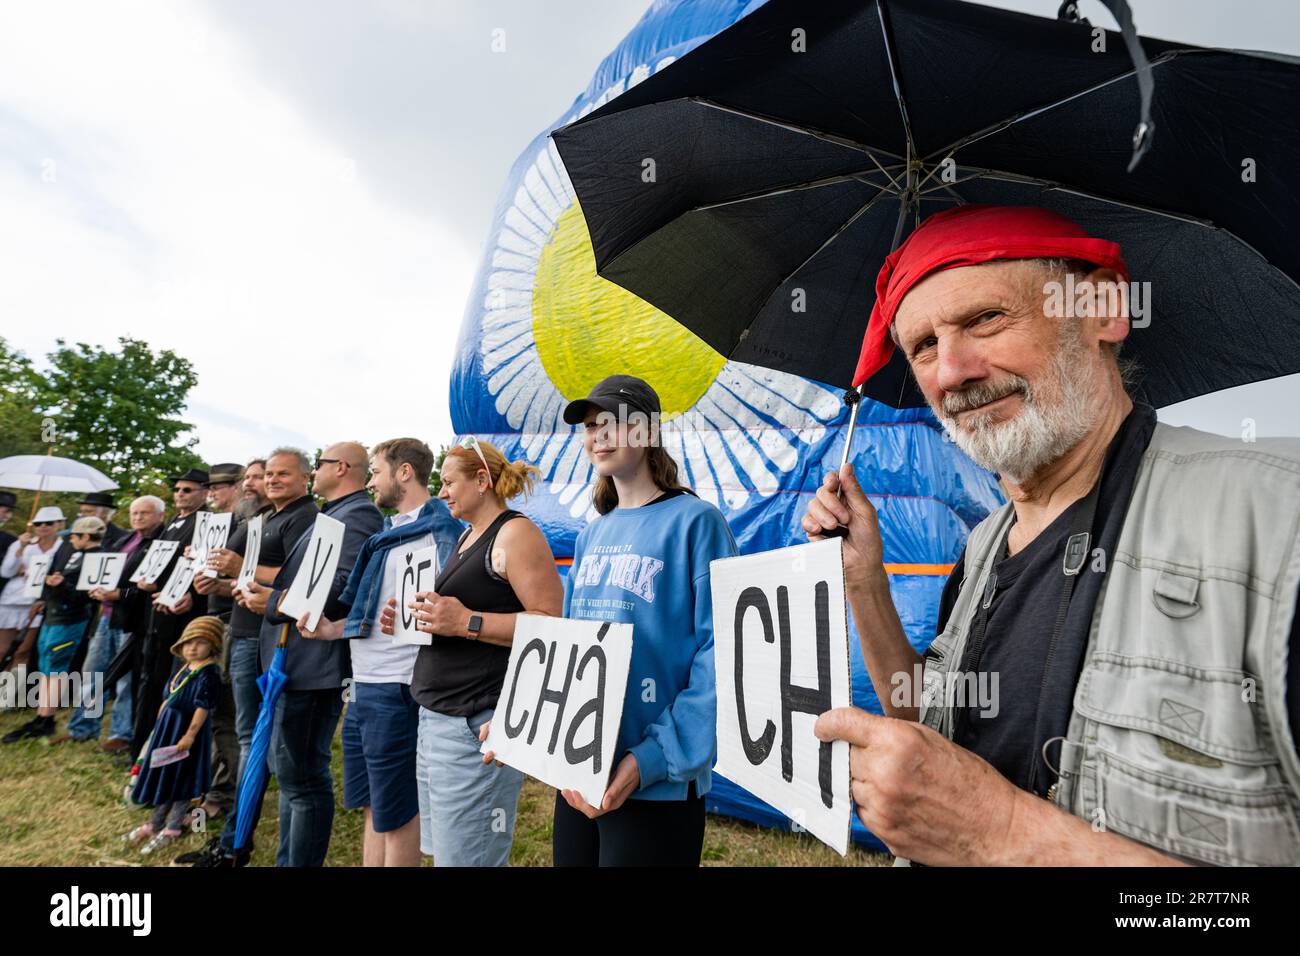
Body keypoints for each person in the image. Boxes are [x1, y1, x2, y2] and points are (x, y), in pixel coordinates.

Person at [803, 204, 1300, 867]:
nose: (952, 372)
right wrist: (865, 584)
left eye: (985, 319)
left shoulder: (1276, 519)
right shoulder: (983, 546)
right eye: (923, 346)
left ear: (1102, 311)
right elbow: (935, 721)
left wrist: (1001, 832)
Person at [486, 374, 737, 867]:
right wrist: (524, 718)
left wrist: (649, 761)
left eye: (611, 423)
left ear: (646, 432)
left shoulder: (696, 522)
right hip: (581, 770)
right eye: (589, 426)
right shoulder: (592, 534)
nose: (597, 435)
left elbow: (722, 655)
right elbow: (570, 648)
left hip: (655, 784)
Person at [379, 437, 562, 867]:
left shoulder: (516, 533)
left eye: (448, 483)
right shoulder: (466, 537)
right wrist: (413, 622)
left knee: (468, 857)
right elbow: (456, 617)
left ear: (482, 481)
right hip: (436, 714)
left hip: (474, 723)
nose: (441, 493)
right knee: (447, 852)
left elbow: (552, 623)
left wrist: (466, 622)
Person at [297, 438, 463, 867]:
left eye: (375, 471)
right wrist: (332, 629)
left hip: (399, 686)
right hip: (364, 684)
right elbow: (368, 610)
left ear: (403, 472)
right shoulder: (384, 536)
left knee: (399, 812)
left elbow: (450, 615)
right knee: (373, 805)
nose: (370, 481)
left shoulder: (442, 531)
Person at [181, 449, 316, 867]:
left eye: (278, 474)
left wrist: (242, 566)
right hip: (240, 633)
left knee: (259, 744)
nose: (268, 481)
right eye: (264, 474)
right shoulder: (261, 519)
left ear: (306, 478)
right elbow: (240, 577)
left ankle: (236, 842)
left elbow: (304, 580)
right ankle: (234, 839)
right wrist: (219, 582)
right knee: (246, 738)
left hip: (269, 639)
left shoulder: (306, 518)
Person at [61, 495, 166, 749]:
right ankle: (83, 727)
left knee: (126, 678)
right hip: (107, 616)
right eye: (135, 512)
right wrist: (95, 588)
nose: (138, 517)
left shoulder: (161, 543)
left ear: (160, 516)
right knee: (93, 673)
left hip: (134, 620)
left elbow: (151, 587)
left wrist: (119, 594)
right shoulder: (125, 540)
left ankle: (121, 734)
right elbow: (103, 573)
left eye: (145, 512)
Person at [2, 516, 106, 742]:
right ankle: (42, 716)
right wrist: (47, 588)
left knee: (57, 667)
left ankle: (47, 718)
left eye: (75, 536)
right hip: (53, 614)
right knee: (46, 665)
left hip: (71, 619)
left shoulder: (98, 558)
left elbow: (87, 596)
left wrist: (62, 585)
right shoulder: (71, 553)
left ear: (86, 536)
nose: (71, 540)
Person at [125, 616, 222, 855]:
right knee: (166, 775)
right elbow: (168, 698)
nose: (193, 647)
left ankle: (173, 827)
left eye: (200, 642)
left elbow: (202, 708)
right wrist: (159, 725)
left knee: (182, 779)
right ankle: (155, 822)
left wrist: (190, 735)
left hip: (186, 733)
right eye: (189, 642)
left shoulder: (208, 673)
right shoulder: (183, 668)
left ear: (212, 645)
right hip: (168, 730)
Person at [132, 468, 209, 758]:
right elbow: (155, 564)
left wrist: (190, 595)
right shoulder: (174, 522)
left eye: (187, 490)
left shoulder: (207, 521)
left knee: (173, 686)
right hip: (156, 613)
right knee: (148, 680)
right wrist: (148, 579)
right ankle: (139, 748)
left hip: (183, 617)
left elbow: (202, 569)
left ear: (204, 492)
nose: (180, 494)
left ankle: (166, 750)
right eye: (177, 489)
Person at [188, 461, 246, 823]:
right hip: (212, 619)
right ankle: (209, 785)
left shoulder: (246, 524)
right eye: (210, 487)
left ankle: (226, 795)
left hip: (234, 622)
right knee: (210, 708)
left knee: (227, 713)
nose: (212, 493)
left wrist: (225, 577)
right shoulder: (212, 526)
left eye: (220, 487)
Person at [0, 506, 65, 698]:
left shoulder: (63, 547)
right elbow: (6, 571)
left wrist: (30, 572)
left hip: (37, 602)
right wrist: (19, 548)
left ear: (59, 524)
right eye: (38, 523)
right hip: (11, 601)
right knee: (3, 649)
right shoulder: (23, 544)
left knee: (23, 651)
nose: (43, 527)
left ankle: (8, 697)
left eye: (49, 523)